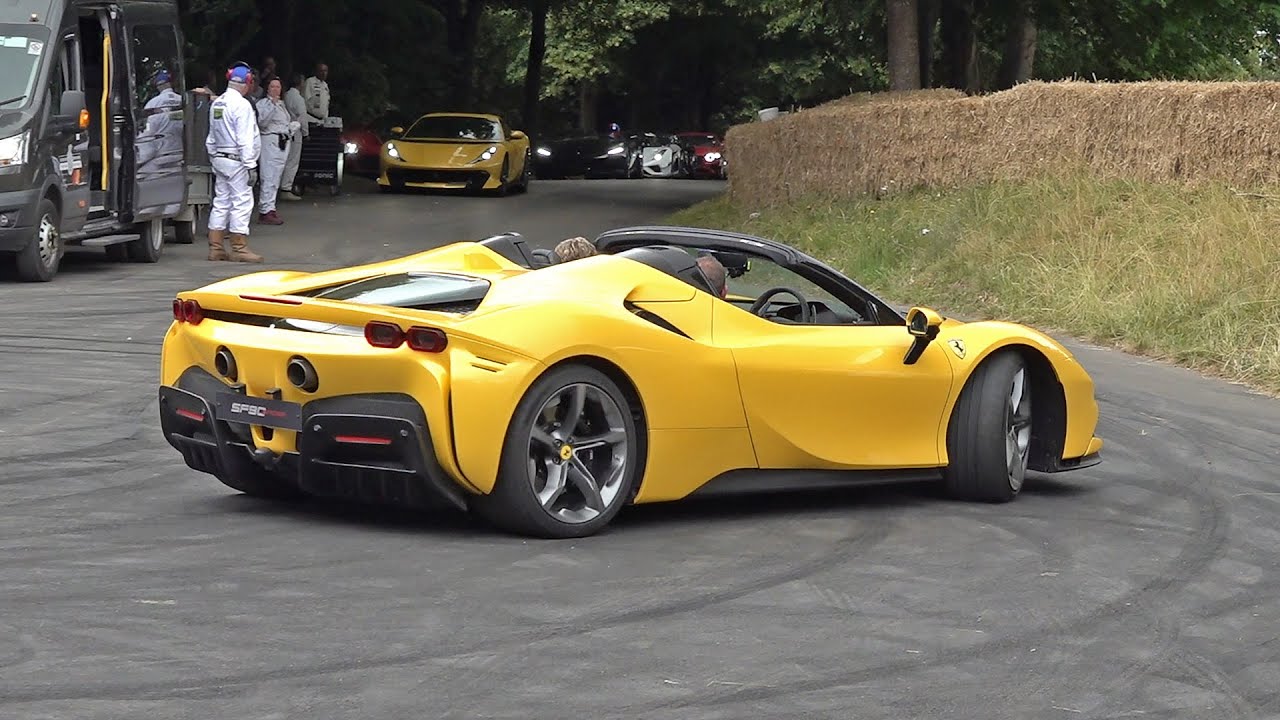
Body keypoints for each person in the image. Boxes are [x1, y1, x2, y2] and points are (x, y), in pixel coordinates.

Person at [205, 62, 264, 263]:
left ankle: (216, 247)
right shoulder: (242, 105)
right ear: (246, 82)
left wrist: (214, 156)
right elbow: (245, 138)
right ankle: (239, 247)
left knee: (221, 202)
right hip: (237, 160)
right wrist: (251, 165)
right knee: (242, 202)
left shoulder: (218, 103)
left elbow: (211, 137)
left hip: (220, 158)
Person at [255, 77, 297, 225]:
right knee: (268, 175)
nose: (275, 90)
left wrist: (291, 127)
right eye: (272, 87)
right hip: (269, 141)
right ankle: (265, 210)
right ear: (267, 88)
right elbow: (262, 122)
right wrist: (271, 105)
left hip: (282, 142)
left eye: (278, 87)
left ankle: (270, 207)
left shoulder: (281, 105)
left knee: (276, 177)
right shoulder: (263, 104)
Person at [279, 73, 308, 200]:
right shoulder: (298, 98)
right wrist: (306, 133)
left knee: (285, 159)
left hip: (285, 129)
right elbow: (302, 117)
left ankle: (281, 185)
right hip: (296, 131)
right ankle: (286, 188)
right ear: (300, 83)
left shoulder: (286, 95)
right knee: (292, 161)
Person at [304, 63, 330, 128]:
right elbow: (306, 100)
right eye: (321, 71)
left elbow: (327, 103)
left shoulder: (325, 85)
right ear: (316, 72)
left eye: (325, 71)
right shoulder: (310, 82)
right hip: (311, 119)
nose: (324, 73)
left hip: (322, 121)